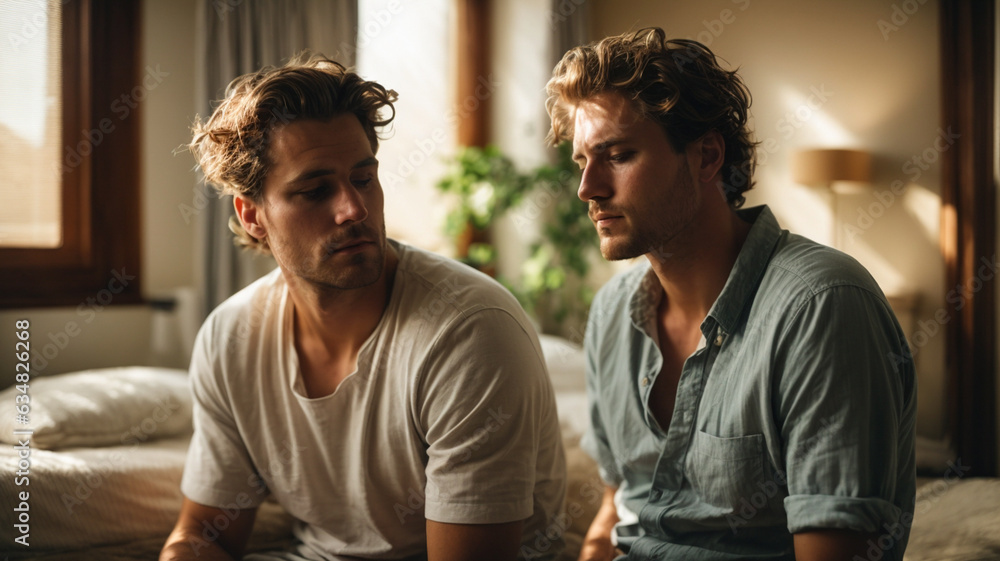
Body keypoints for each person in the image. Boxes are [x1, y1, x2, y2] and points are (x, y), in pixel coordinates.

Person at [160, 55, 565, 561]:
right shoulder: (230, 338)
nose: (354, 209)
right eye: (314, 191)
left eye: (363, 178)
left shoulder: (470, 332)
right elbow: (206, 534)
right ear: (253, 215)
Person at [545, 28, 916, 561]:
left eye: (619, 155)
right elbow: (617, 509)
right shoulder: (611, 313)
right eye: (582, 161)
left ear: (706, 156)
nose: (588, 188)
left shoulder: (822, 306)